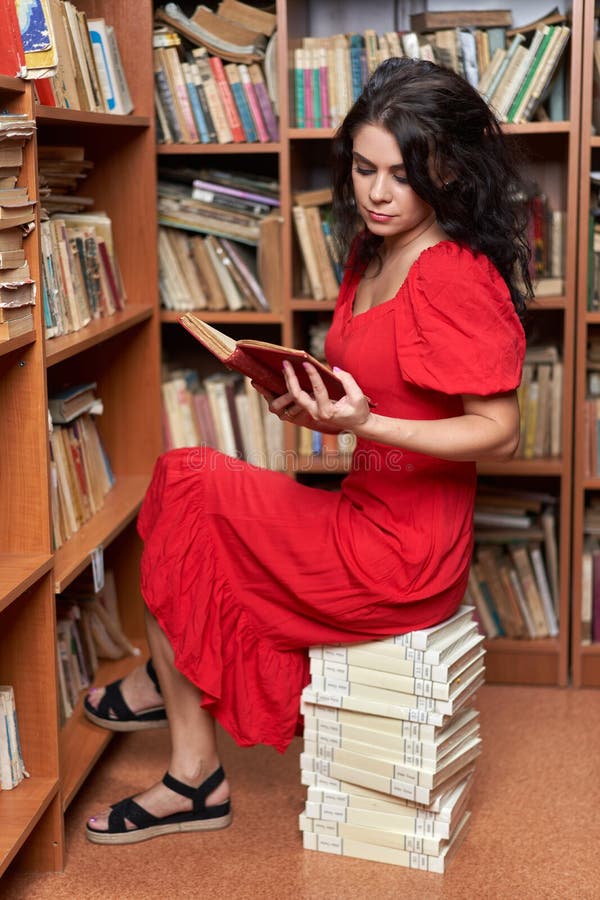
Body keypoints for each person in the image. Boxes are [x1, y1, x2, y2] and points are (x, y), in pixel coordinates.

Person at [84, 57, 529, 844]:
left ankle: (189, 757)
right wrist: (309, 407)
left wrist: (364, 428)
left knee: (185, 480)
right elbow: (374, 396)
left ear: (448, 169)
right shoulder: (370, 254)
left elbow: (499, 430)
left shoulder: (453, 274)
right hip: (362, 510)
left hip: (406, 554)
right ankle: (189, 742)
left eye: (404, 172)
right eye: (364, 169)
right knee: (183, 486)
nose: (379, 192)